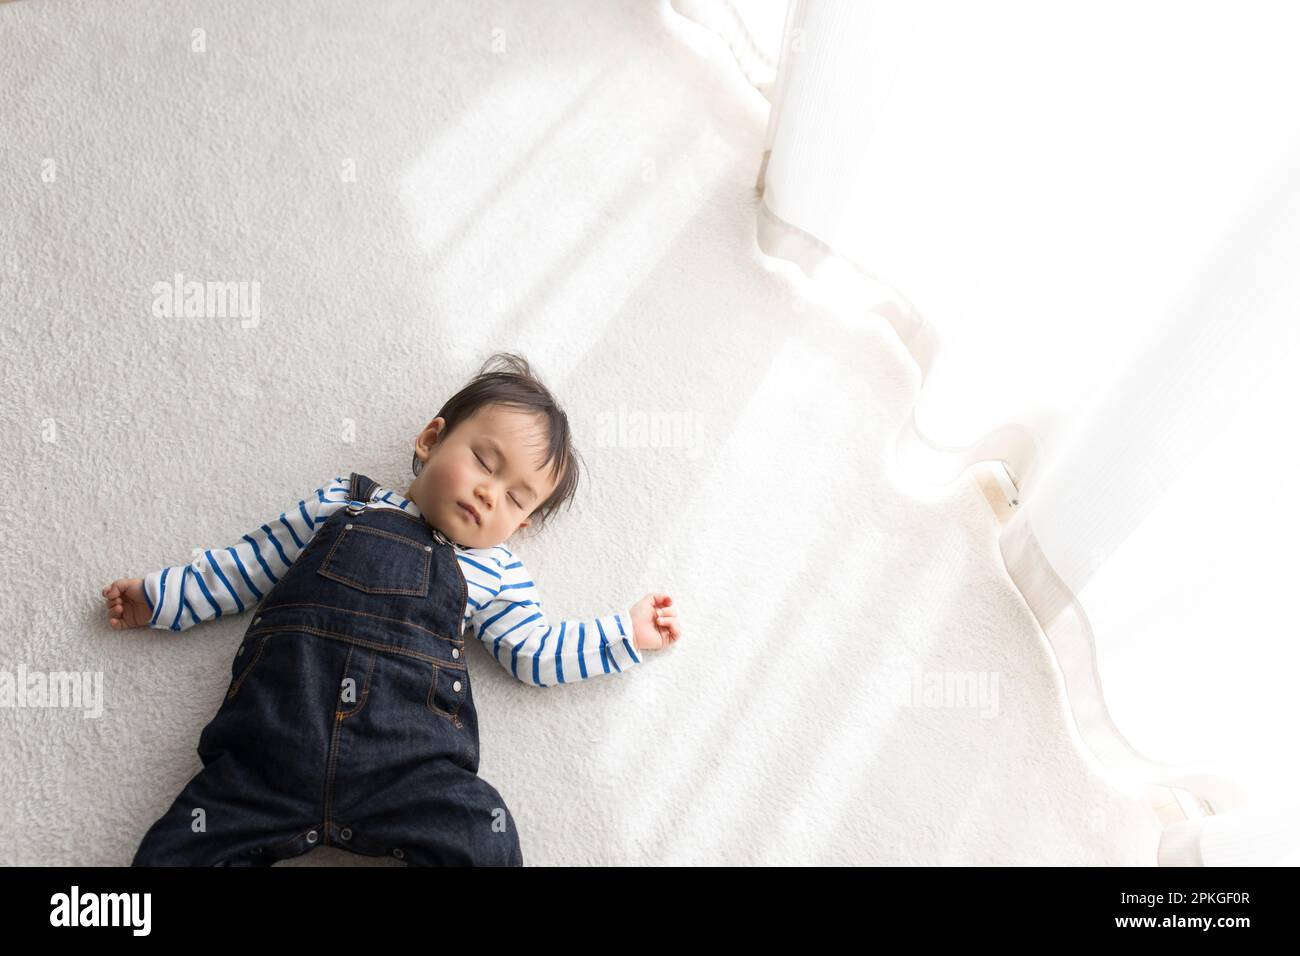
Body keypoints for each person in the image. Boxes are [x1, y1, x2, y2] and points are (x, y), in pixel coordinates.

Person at [103, 352, 682, 866]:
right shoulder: (345, 502)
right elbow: (251, 563)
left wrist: (624, 634)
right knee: (178, 846)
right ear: (430, 440)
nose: (489, 493)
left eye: (515, 498)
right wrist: (161, 597)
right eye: (485, 462)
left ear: (521, 527)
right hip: (271, 746)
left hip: (407, 768)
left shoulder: (498, 569)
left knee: (485, 837)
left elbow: (533, 651)